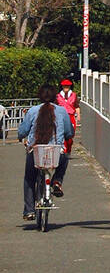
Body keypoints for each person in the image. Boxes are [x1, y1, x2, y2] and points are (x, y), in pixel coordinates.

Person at [17, 86, 74, 220]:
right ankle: (56, 182)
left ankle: (29, 211)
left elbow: (23, 131)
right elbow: (69, 132)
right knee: (64, 158)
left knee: (29, 178)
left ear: (40, 97)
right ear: (55, 97)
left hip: (36, 151)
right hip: (55, 152)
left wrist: (22, 136)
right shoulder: (62, 111)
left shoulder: (32, 111)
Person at [55, 79, 79, 192]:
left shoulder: (74, 96)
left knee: (70, 136)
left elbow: (77, 106)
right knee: (61, 135)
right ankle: (63, 151)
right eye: (64, 86)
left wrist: (78, 116)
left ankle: (68, 150)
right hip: (61, 116)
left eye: (68, 86)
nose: (66, 88)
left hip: (70, 116)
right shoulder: (58, 96)